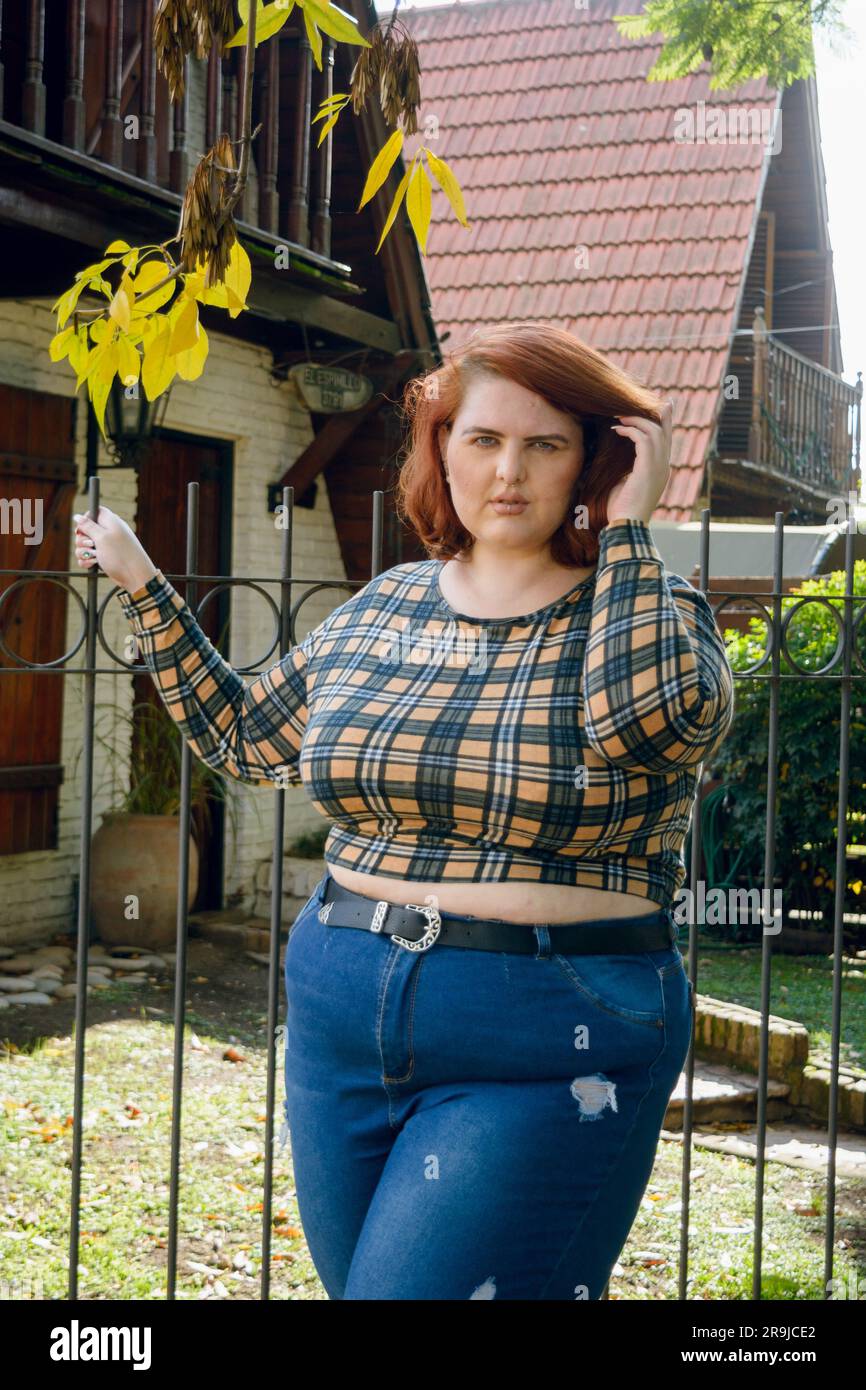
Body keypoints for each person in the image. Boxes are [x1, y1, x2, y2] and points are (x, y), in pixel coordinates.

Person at [73, 321, 735, 1300]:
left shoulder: (650, 610)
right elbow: (250, 737)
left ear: (593, 462)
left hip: (544, 1033)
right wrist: (142, 582)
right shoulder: (385, 605)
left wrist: (631, 524)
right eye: (481, 439)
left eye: (544, 443)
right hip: (341, 1011)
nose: (507, 470)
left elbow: (645, 726)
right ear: (441, 452)